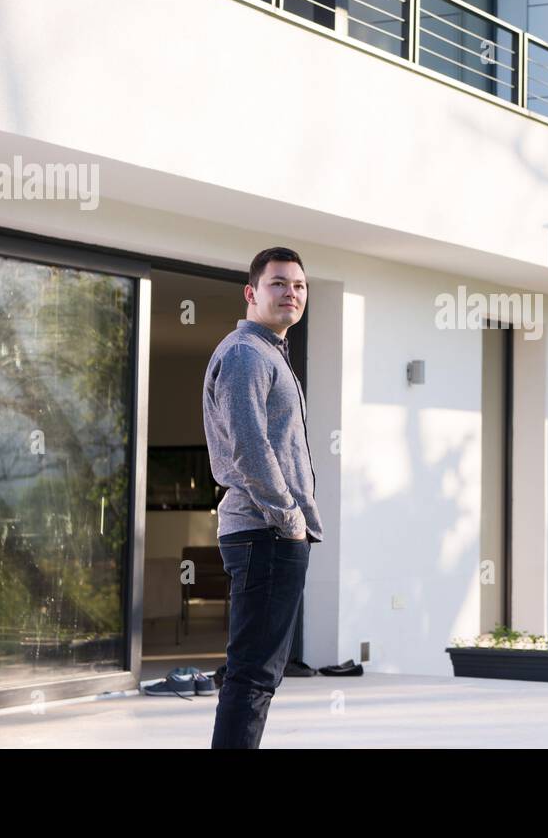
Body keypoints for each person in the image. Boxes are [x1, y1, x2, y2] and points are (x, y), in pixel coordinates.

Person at [203, 247, 321, 749]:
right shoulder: (248, 353)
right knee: (253, 678)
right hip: (265, 533)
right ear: (252, 293)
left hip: (267, 534)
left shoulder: (267, 352)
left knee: (255, 676)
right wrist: (288, 518)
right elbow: (251, 448)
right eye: (277, 283)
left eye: (298, 285)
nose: (290, 292)